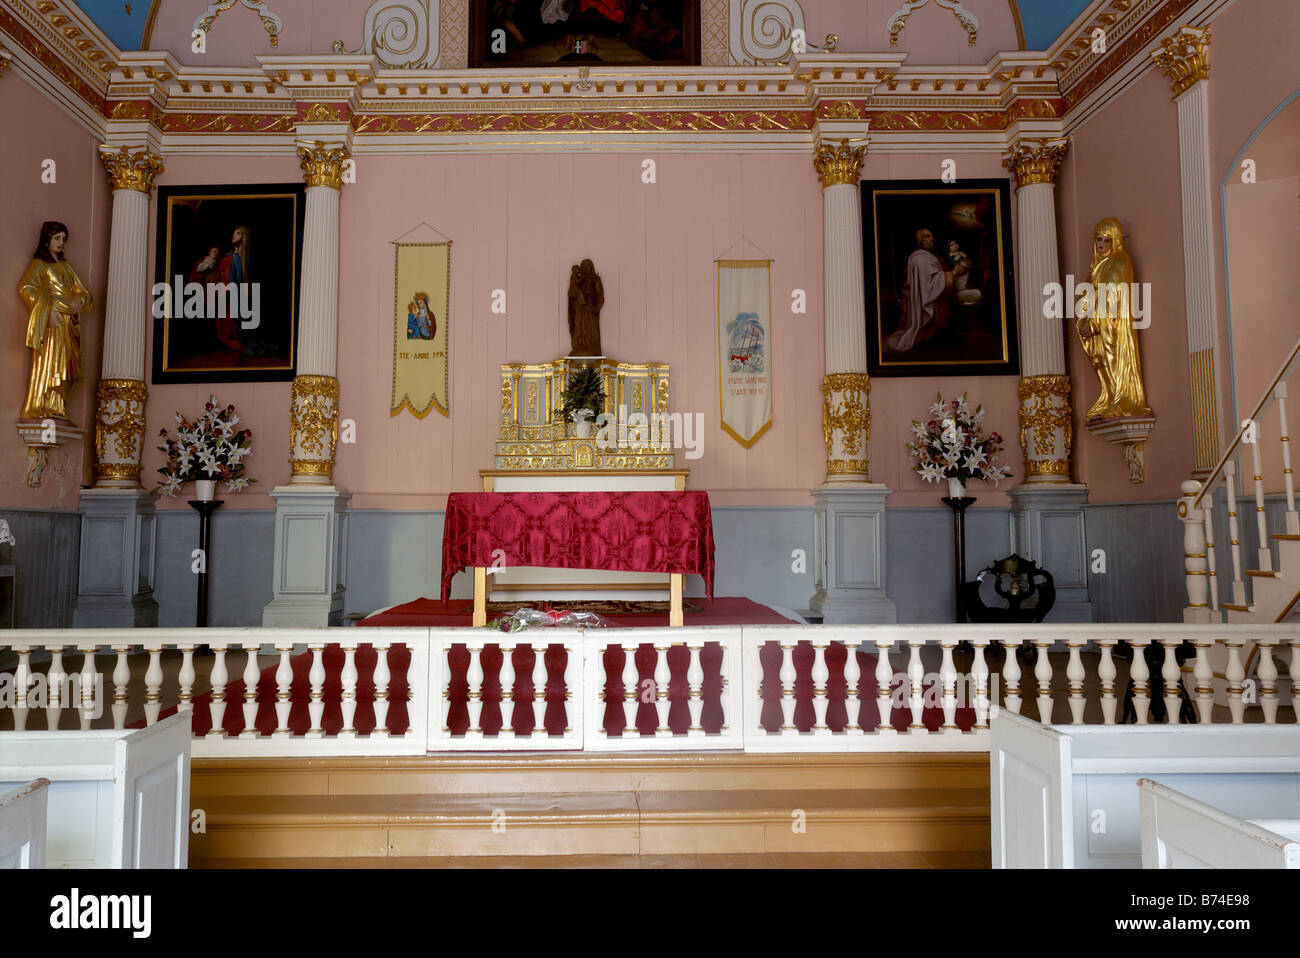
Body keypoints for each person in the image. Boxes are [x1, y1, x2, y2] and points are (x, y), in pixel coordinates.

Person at [1076, 218, 1151, 420]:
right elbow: (1088, 295)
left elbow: (1111, 297)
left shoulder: (1119, 262)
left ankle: (1122, 399)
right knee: (1101, 361)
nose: (1100, 244)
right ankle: (1110, 397)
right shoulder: (1098, 266)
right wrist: (1083, 318)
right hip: (1098, 326)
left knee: (1114, 358)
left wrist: (1091, 323)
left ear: (1116, 241)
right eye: (1098, 239)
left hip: (1112, 326)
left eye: (1106, 240)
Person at [18, 221, 92, 421]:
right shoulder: (39, 264)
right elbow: (26, 288)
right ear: (47, 239)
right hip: (53, 321)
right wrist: (47, 310)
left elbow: (82, 291)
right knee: (52, 363)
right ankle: (43, 405)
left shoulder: (65, 267)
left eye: (63, 239)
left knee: (67, 365)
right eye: (57, 238)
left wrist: (80, 299)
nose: (61, 243)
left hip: (69, 323)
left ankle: (58, 406)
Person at [886, 227, 967, 353]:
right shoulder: (919, 259)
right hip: (924, 303)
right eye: (927, 237)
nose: (932, 239)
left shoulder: (927, 257)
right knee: (947, 308)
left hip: (927, 298)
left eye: (932, 236)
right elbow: (929, 286)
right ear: (919, 241)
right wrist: (954, 272)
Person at [567, 259, 603, 356]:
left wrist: (596, 308)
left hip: (591, 309)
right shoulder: (579, 280)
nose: (586, 268)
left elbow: (600, 296)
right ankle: (581, 344)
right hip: (581, 309)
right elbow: (572, 291)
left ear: (591, 267)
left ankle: (591, 347)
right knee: (580, 327)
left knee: (592, 331)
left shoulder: (596, 280)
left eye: (588, 266)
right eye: (584, 266)